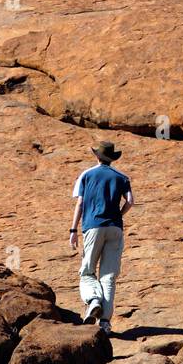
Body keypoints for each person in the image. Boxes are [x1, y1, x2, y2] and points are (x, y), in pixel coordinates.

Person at [70, 140, 134, 332]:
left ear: (97, 156)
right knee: (108, 276)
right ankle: (105, 323)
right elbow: (130, 201)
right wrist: (119, 215)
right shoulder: (122, 178)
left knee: (88, 271)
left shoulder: (87, 175)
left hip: (93, 226)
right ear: (112, 158)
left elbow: (80, 204)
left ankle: (93, 300)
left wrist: (73, 230)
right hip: (115, 228)